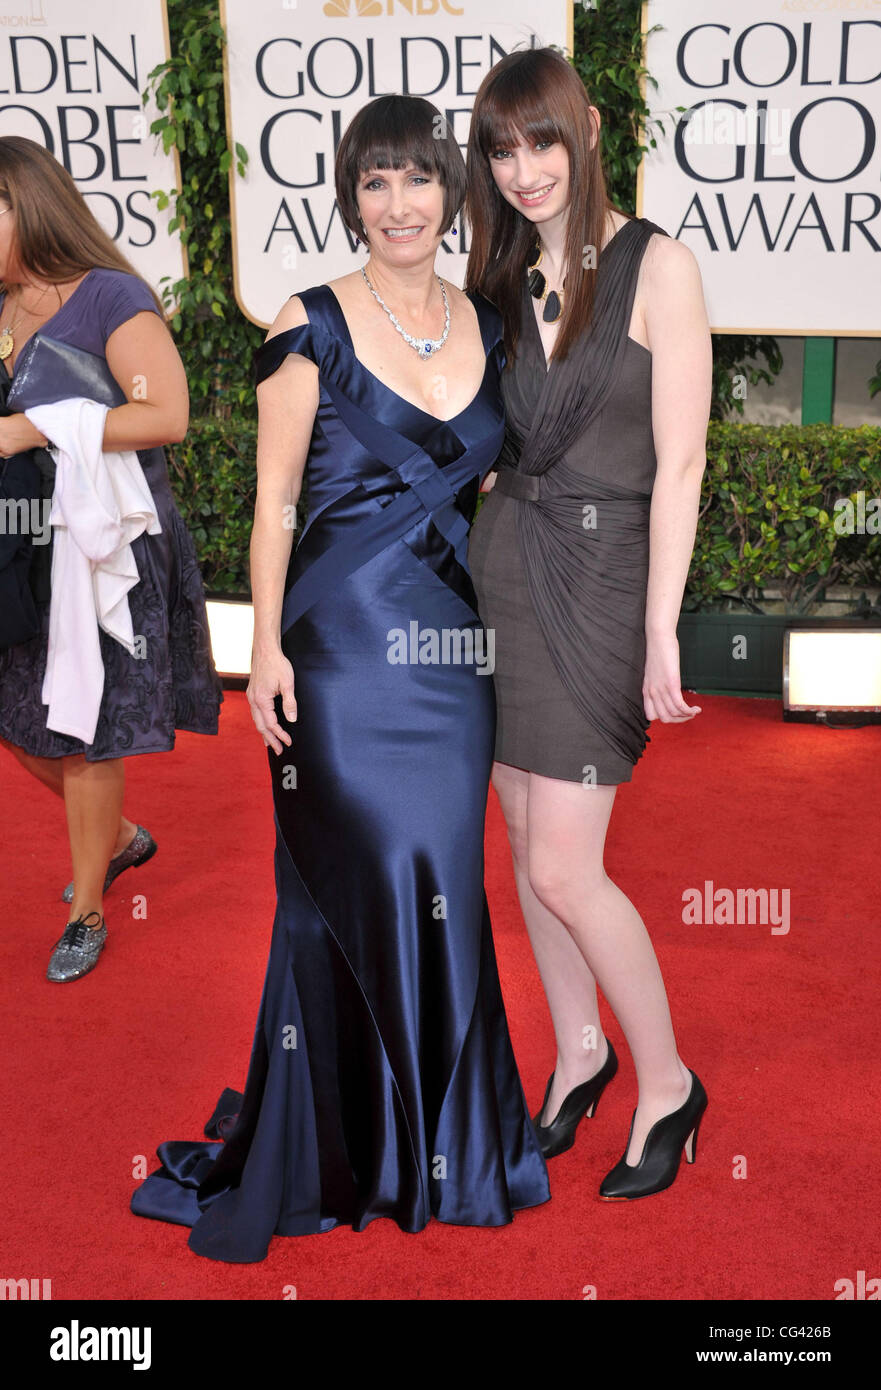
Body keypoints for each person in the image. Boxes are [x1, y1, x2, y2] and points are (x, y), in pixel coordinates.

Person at [129, 94, 550, 1260]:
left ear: (451, 191)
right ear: (348, 197)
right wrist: (260, 645)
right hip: (337, 647)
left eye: (419, 179)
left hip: (451, 660)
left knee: (446, 880)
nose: (400, 204)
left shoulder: (488, 326)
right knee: (351, 876)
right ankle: (337, 1140)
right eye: (375, 182)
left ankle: (448, 1143)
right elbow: (270, 501)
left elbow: (497, 496)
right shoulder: (305, 321)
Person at [465, 48, 712, 1200]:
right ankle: (579, 1051)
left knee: (567, 863)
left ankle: (664, 1081)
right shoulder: (497, 274)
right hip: (500, 565)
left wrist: (660, 625)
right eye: (501, 150)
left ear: (585, 130)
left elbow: (680, 461)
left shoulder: (657, 264)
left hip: (604, 576)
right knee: (522, 842)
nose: (522, 170)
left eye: (539, 141)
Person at [0, 136, 222, 983]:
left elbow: (166, 413)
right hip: (23, 542)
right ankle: (123, 839)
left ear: (26, 205)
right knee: (22, 720)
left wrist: (32, 426)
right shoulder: (6, 302)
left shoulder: (109, 296)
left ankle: (90, 907)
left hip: (106, 548)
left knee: (85, 731)